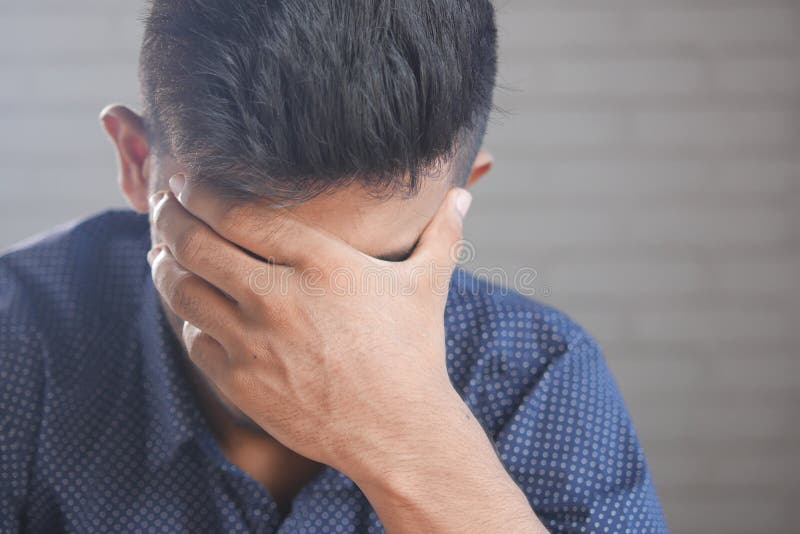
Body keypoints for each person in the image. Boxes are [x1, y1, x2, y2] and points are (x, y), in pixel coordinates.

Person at [0, 1, 667, 532]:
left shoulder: (537, 375)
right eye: (240, 262)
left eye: (373, 268)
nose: (297, 331)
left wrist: (408, 445)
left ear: (455, 208)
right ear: (138, 163)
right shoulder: (18, 341)